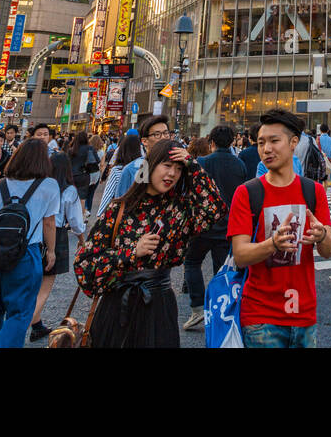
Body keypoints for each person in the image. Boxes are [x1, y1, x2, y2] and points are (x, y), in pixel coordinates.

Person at [73, 138, 225, 347]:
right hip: (117, 306)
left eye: (179, 169)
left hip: (159, 306)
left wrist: (193, 165)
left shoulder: (179, 211)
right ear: (150, 166)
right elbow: (84, 264)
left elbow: (215, 209)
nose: (172, 173)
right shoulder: (118, 210)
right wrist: (130, 252)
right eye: (167, 165)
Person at [228, 108, 331, 348]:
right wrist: (273, 244)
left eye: (274, 141)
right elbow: (241, 255)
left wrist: (322, 236)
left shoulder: (314, 191)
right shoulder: (246, 193)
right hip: (260, 316)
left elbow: (328, 250)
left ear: (293, 143)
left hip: (304, 313)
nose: (266, 149)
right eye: (261, 142)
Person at [0, 139, 60, 348]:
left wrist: (2, 233)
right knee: (19, 312)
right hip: (25, 257)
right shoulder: (49, 186)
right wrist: (51, 251)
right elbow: (49, 223)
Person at [182, 124, 247, 331]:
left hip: (202, 224)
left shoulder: (202, 162)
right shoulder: (240, 165)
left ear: (212, 141)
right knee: (222, 271)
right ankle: (223, 310)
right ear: (232, 141)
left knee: (192, 262)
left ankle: (198, 308)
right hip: (227, 225)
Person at [28, 151, 87, 341]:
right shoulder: (69, 190)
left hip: (34, 235)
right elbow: (76, 221)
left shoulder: (39, 185)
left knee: (33, 282)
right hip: (56, 234)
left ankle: (37, 325)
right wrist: (82, 239)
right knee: (46, 285)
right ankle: (25, 322)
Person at [94, 130, 143, 219]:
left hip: (121, 212)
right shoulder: (144, 166)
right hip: (139, 212)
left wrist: (100, 214)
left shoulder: (118, 170)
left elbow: (108, 194)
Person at [68, 132, 99, 209]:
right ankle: (80, 218)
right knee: (82, 199)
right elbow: (97, 160)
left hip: (71, 175)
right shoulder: (89, 148)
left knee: (70, 197)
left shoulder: (71, 149)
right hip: (84, 175)